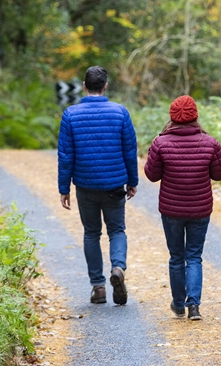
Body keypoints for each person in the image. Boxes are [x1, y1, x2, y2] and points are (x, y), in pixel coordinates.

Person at [57, 66, 139, 305]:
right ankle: (118, 269)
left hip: (85, 186)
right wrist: (132, 181)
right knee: (116, 231)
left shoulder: (70, 114)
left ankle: (98, 288)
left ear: (84, 86)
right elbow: (129, 150)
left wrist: (64, 188)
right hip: (114, 185)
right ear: (105, 86)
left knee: (91, 233)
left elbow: (66, 155)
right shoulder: (120, 112)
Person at [144, 96, 221, 321]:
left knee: (176, 257)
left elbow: (151, 175)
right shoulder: (210, 143)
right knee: (194, 256)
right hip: (200, 209)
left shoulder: (160, 143)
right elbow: (219, 175)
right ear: (195, 115)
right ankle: (194, 306)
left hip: (171, 210)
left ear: (172, 117)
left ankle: (179, 305)